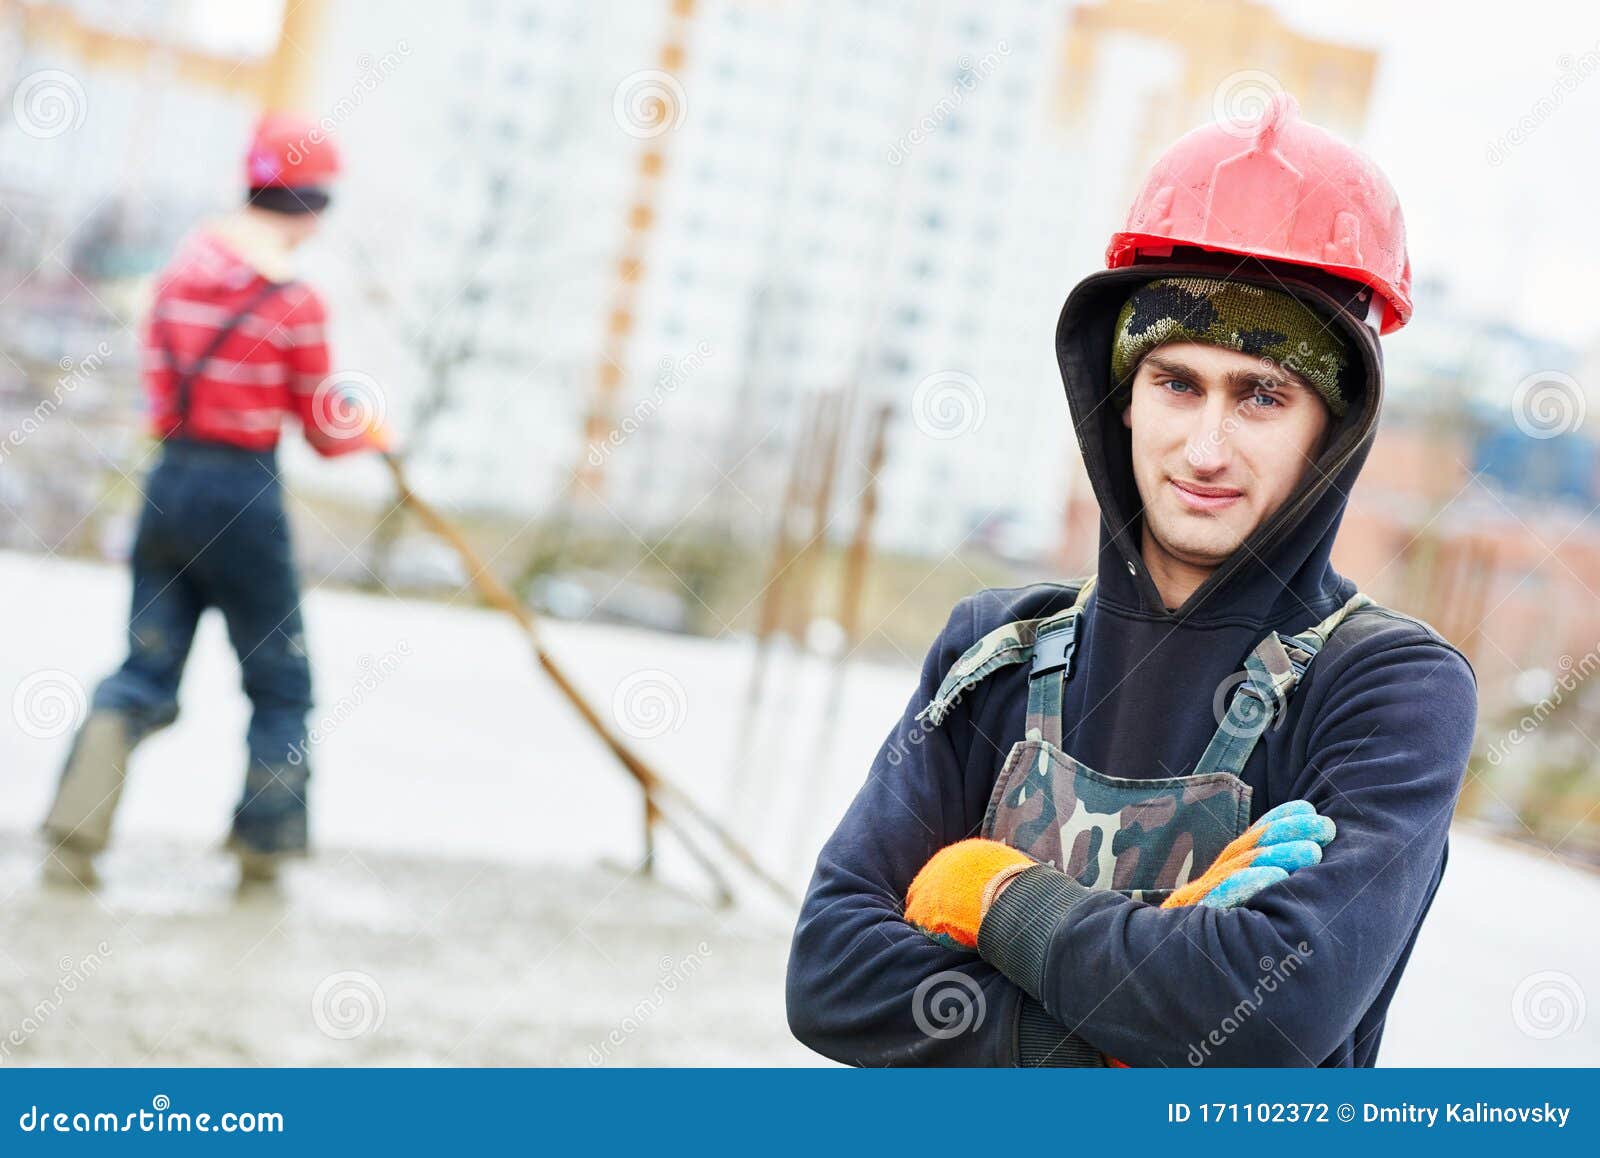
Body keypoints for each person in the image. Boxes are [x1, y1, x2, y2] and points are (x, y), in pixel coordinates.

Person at [785, 94, 1477, 1067]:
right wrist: (1133, 1019)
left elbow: (1266, 1013)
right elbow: (830, 976)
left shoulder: (1387, 690)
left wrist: (991, 893)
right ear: (1118, 398)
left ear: (1333, 426)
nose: (1204, 446)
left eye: (1263, 395)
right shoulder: (993, 652)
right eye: (1175, 382)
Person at [40, 112, 388, 883]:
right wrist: (375, 436)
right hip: (242, 491)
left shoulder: (177, 272)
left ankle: (75, 831)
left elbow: (160, 392)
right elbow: (325, 430)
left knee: (143, 669)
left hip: (167, 482)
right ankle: (263, 845)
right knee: (280, 682)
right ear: (309, 205)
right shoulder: (293, 303)